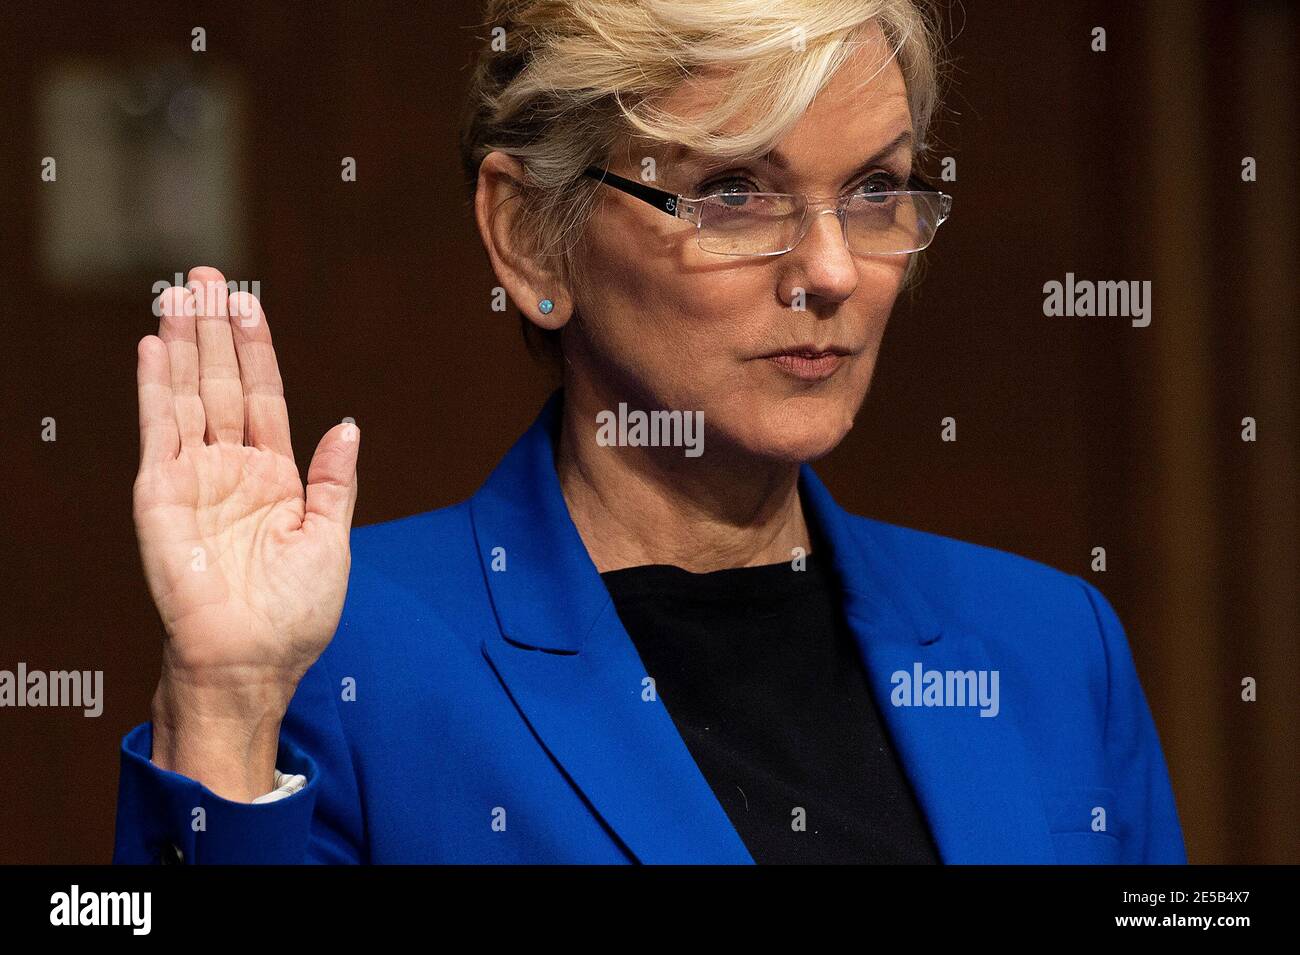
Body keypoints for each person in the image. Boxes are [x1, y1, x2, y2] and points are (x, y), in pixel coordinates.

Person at [113, 0, 1186, 864]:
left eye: (875, 191)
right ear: (532, 236)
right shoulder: (347, 655)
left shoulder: (1050, 645)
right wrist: (225, 706)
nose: (831, 270)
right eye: (732, 192)